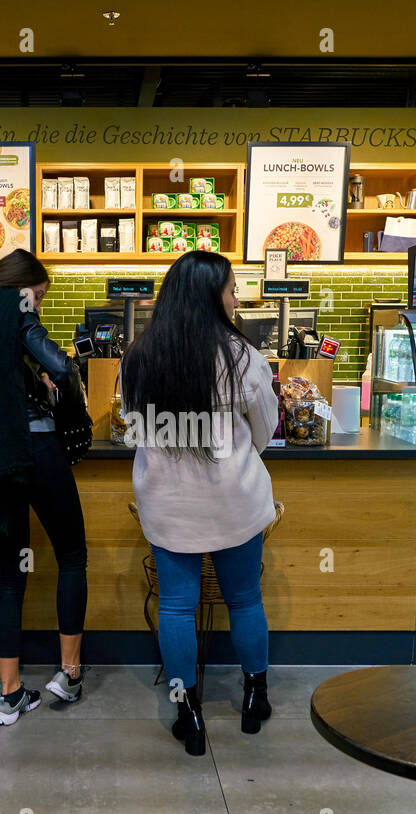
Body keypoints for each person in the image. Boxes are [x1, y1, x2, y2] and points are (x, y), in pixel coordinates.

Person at [120, 250, 278, 756]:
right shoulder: (243, 357)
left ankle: (187, 712)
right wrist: (230, 458)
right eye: (232, 290)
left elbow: (134, 428)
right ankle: (255, 698)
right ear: (213, 297)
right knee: (245, 601)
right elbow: (265, 430)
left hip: (169, 506)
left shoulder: (139, 357)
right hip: (234, 502)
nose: (236, 299)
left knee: (177, 608)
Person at [0, 249, 88, 726]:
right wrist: (61, 391)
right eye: (40, 295)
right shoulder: (15, 308)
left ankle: (9, 695)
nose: (40, 305)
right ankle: (68, 675)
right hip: (37, 449)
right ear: (22, 286)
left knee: (10, 573)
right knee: (71, 555)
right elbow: (63, 369)